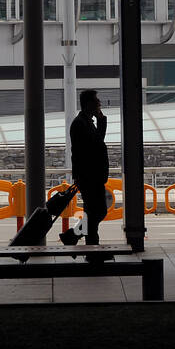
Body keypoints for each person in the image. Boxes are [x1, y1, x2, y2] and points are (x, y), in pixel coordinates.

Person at [69, 89, 110, 245]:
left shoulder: (86, 122)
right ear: (88, 104)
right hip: (89, 176)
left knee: (93, 212)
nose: (99, 103)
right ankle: (85, 242)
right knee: (97, 211)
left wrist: (100, 120)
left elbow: (96, 143)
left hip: (92, 176)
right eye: (96, 100)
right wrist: (102, 120)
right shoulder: (80, 123)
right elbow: (96, 145)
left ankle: (78, 238)